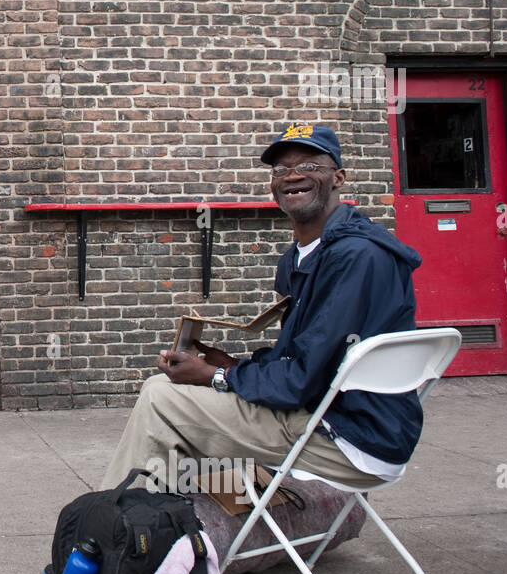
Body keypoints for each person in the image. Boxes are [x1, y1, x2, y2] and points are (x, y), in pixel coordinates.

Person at [99, 123, 423, 492]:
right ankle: (165, 525)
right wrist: (236, 367)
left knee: (162, 398)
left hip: (351, 435)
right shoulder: (301, 258)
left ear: (339, 178)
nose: (294, 176)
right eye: (281, 170)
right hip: (328, 415)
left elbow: (303, 381)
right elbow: (304, 357)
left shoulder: (357, 257)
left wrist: (217, 378)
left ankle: (116, 530)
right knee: (170, 391)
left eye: (311, 165)